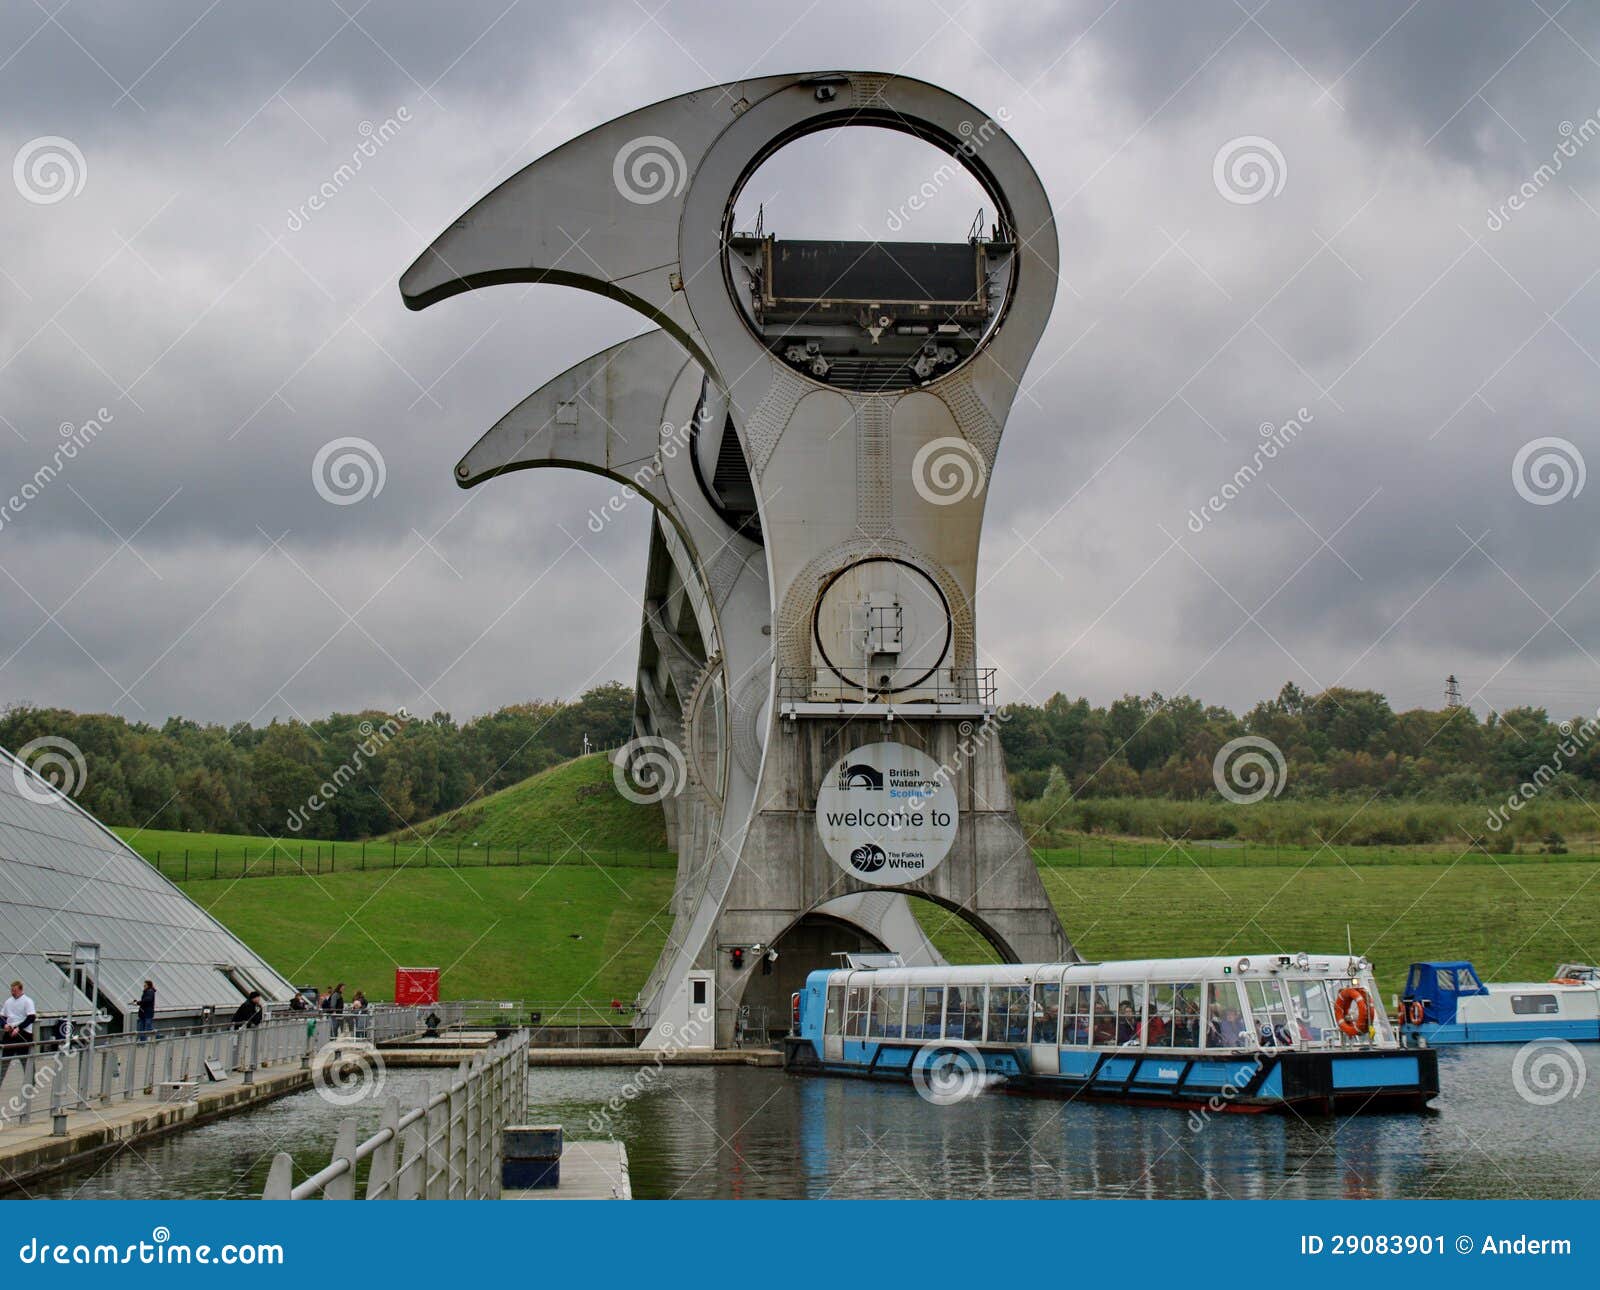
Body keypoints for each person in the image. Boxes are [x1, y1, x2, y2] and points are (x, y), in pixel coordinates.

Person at [0, 981, 36, 1085]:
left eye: (14, 990)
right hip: (10, 1032)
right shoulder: (8, 1002)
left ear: (20, 990)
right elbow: (2, 1017)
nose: (12, 992)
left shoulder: (27, 1001)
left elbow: (31, 1017)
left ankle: (31, 1081)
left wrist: (19, 1028)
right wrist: (4, 1025)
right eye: (11, 990)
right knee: (4, 1058)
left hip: (24, 1033)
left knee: (26, 1059)